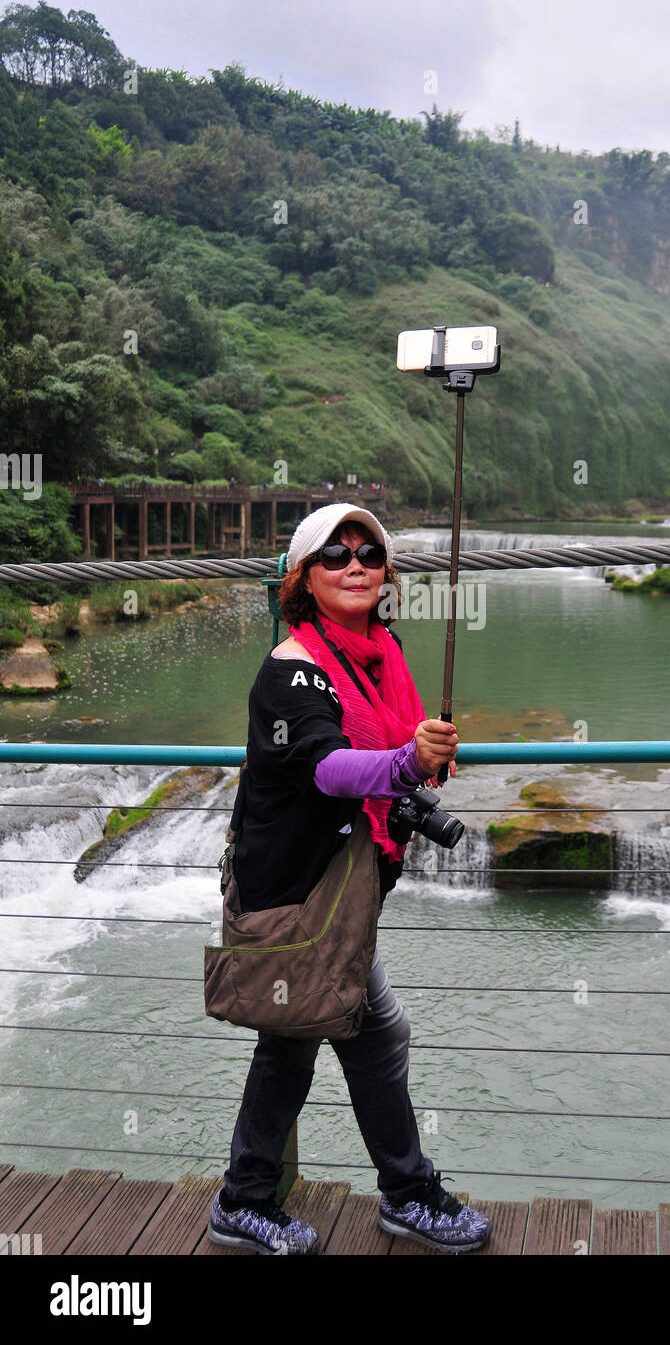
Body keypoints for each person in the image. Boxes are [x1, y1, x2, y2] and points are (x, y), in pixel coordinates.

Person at [208, 503, 491, 1256]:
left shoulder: (378, 654)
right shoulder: (292, 670)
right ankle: (394, 1192)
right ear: (302, 580)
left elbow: (387, 738)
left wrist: (416, 746)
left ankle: (261, 1196)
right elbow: (331, 768)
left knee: (313, 1038)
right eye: (334, 554)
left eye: (368, 552)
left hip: (338, 885)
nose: (355, 563)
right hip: (299, 891)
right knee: (326, 1037)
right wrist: (407, 762)